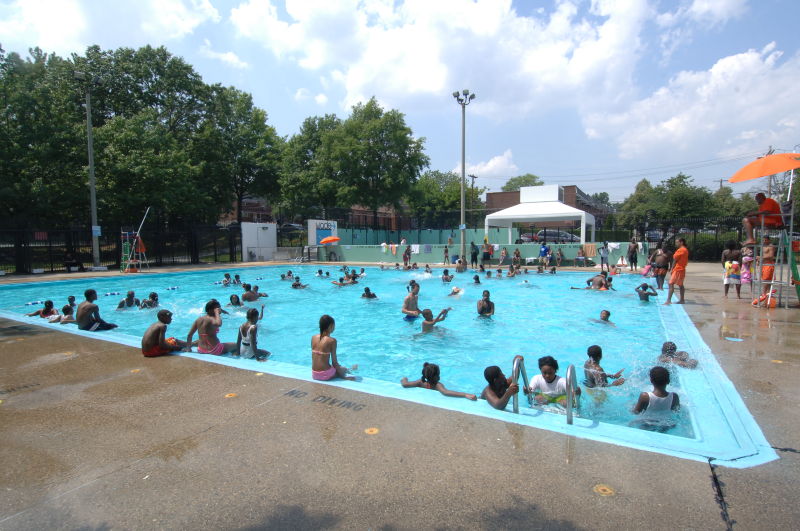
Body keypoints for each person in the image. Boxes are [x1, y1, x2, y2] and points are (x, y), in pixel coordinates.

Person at [632, 366, 680, 431]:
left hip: (647, 423)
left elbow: (636, 412)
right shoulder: (674, 396)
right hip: (665, 425)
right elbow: (676, 411)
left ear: (651, 380)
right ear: (668, 381)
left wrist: (632, 407)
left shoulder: (645, 396)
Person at [311, 314, 356, 381]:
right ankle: (351, 369)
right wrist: (344, 377)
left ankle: (350, 369)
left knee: (340, 368)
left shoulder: (313, 337)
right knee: (344, 369)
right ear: (330, 326)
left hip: (314, 374)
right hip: (325, 375)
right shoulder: (332, 341)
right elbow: (334, 363)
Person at [401, 362, 476, 400]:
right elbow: (446, 392)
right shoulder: (437, 385)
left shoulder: (420, 382)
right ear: (437, 375)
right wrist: (465, 394)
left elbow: (405, 384)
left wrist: (404, 379)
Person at [665, 238, 688, 305]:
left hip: (678, 269)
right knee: (680, 285)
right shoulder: (685, 250)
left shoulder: (681, 250)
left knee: (671, 283)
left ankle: (668, 300)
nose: (676, 244)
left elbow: (675, 260)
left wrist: (671, 269)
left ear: (681, 242)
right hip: (682, 269)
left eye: (677, 242)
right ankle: (682, 300)